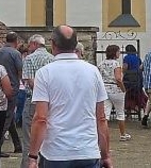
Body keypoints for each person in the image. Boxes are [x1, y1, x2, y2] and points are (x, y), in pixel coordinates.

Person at [27, 26, 111, 168]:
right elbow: (101, 118)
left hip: (56, 151)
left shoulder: (44, 73)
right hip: (87, 150)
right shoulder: (93, 72)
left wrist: (33, 156)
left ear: (53, 44)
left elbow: (41, 118)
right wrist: (106, 155)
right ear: (75, 44)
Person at [19, 34, 53, 168]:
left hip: (33, 101)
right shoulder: (53, 59)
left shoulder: (29, 59)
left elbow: (29, 80)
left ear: (34, 44)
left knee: (29, 138)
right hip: (50, 103)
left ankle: (29, 164)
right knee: (47, 136)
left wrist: (40, 93)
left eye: (29, 45)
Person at [0, 32, 24, 156]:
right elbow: (20, 70)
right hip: (12, 87)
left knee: (10, 118)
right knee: (7, 117)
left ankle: (17, 145)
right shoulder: (15, 53)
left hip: (0, 87)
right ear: (16, 41)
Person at [98, 45, 130, 141]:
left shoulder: (101, 64)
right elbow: (118, 79)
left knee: (106, 113)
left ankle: (103, 134)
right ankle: (123, 134)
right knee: (120, 112)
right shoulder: (116, 64)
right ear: (115, 53)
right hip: (115, 89)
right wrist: (123, 89)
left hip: (104, 88)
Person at [122, 45, 146, 120]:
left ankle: (129, 113)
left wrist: (122, 73)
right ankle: (143, 110)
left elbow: (125, 67)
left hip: (129, 79)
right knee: (139, 95)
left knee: (128, 96)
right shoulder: (137, 58)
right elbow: (141, 67)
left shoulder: (126, 58)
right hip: (138, 79)